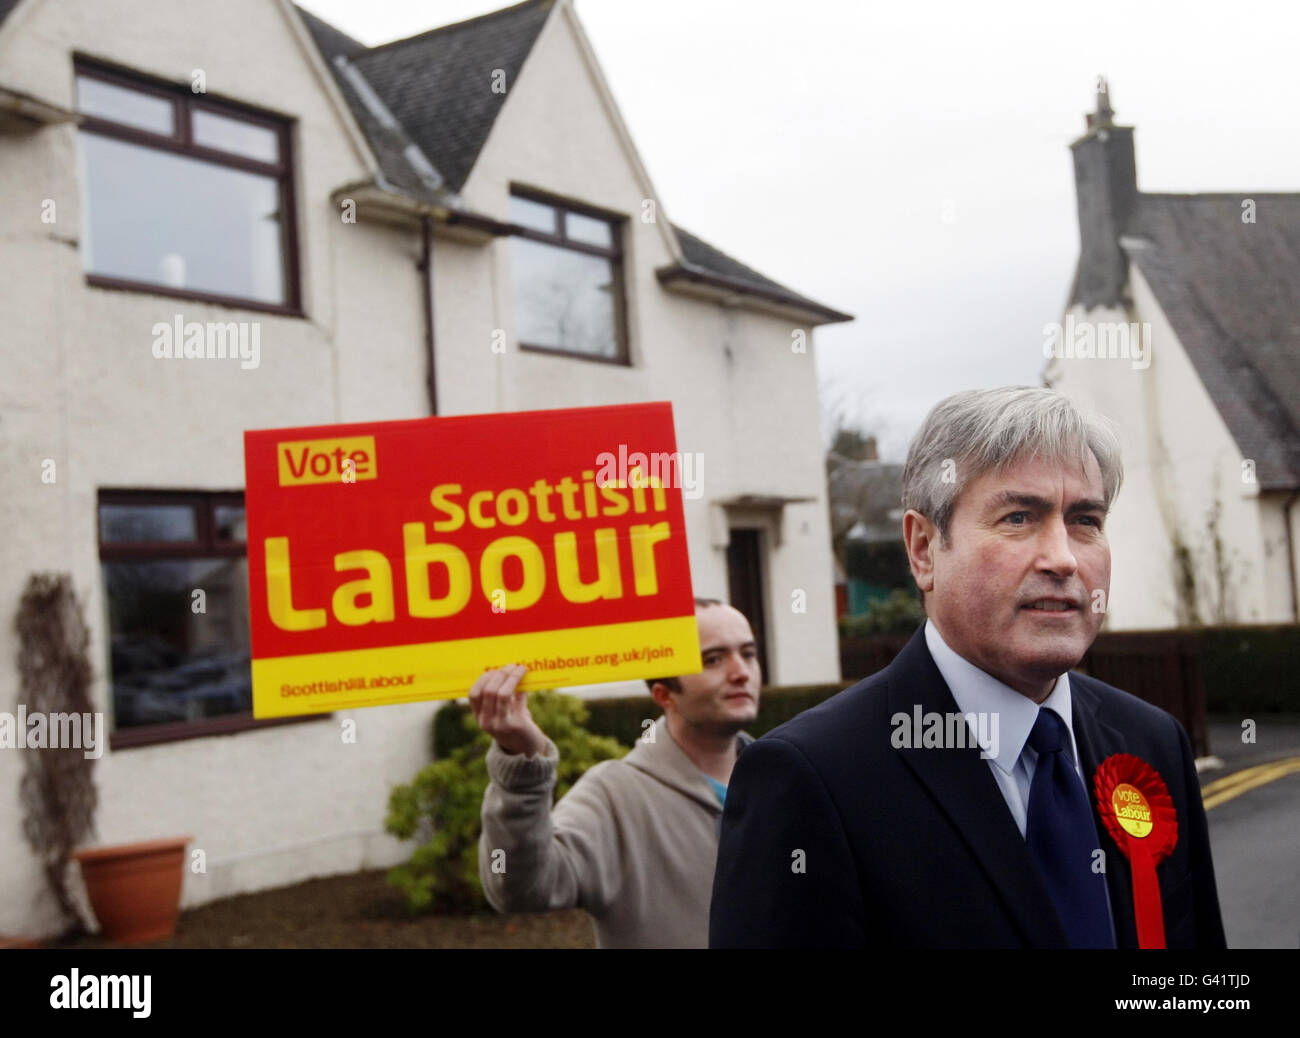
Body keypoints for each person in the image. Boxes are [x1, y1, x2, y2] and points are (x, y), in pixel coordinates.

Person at [710, 386, 1226, 948]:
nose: (1062, 558)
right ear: (924, 549)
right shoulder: (808, 780)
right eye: (1019, 517)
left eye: (1085, 520)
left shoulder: (1153, 742)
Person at [473, 597, 760, 948]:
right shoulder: (615, 794)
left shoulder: (788, 784)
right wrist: (520, 767)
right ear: (664, 694)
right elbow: (519, 888)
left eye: (747, 653)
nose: (740, 671)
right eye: (713, 659)